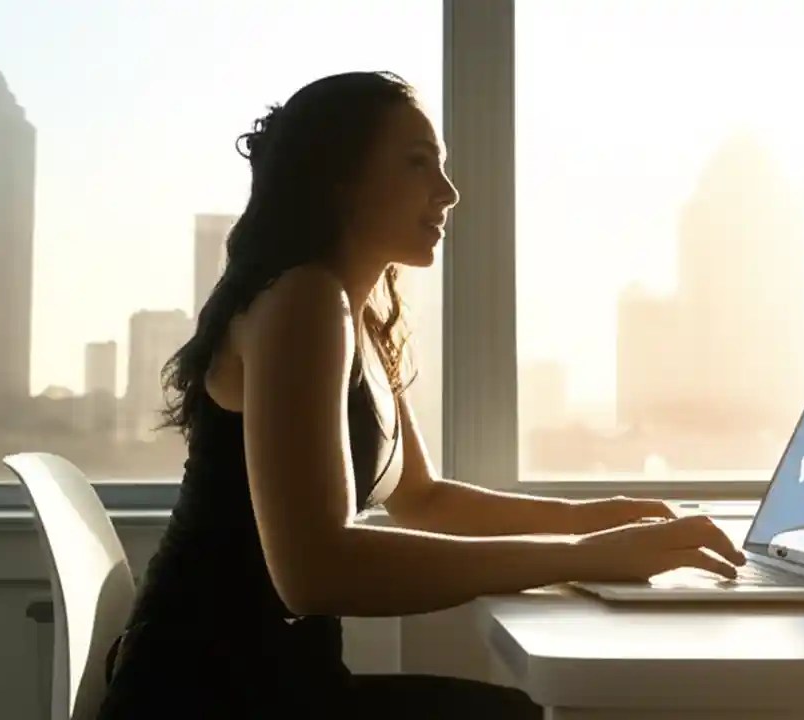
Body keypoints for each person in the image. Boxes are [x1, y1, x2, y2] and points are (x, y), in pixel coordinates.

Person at [97, 71, 746, 719]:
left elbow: (423, 497)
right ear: (338, 178)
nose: (449, 192)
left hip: (284, 686)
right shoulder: (303, 300)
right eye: (418, 165)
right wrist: (581, 557)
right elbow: (313, 570)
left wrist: (594, 518)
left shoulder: (356, 311)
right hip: (207, 696)